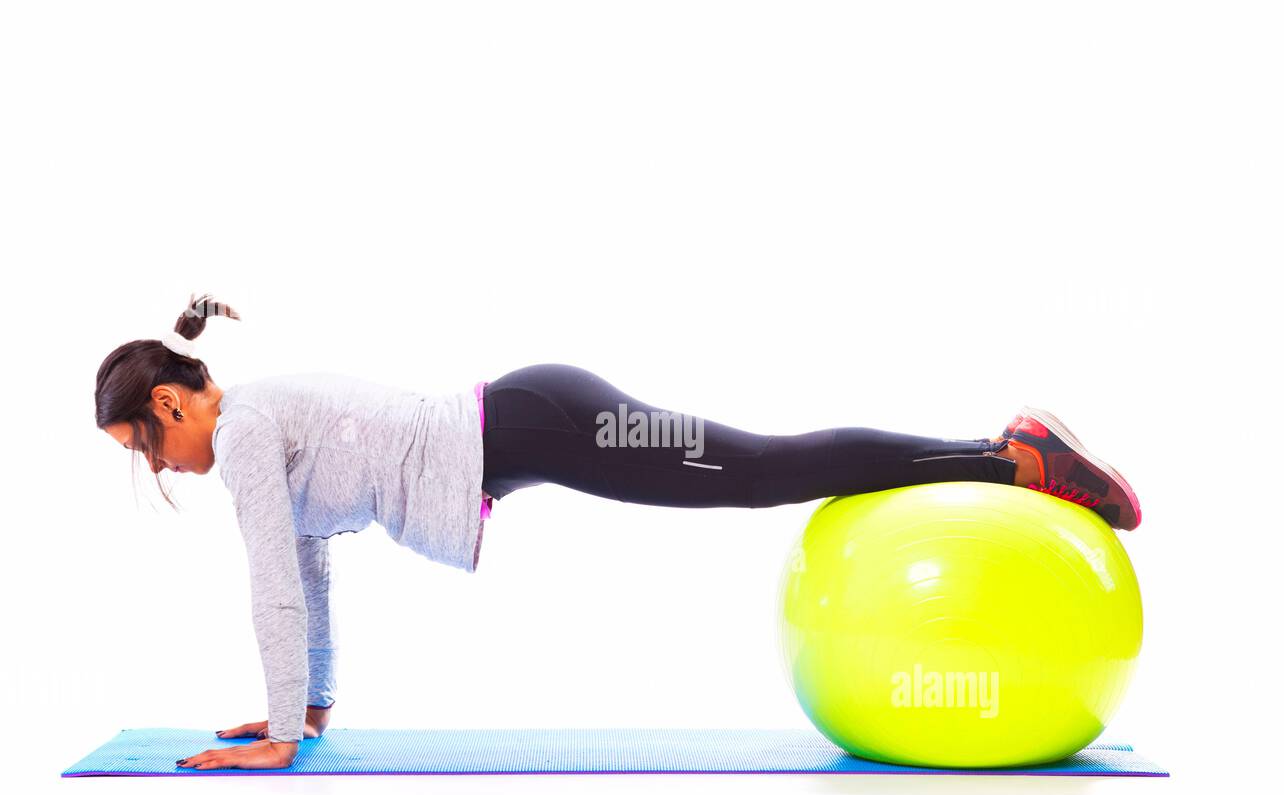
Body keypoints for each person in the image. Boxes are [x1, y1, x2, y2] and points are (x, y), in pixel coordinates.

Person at [96, 294, 1143, 771]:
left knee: (759, 470)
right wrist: (311, 707)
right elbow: (306, 566)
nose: (156, 465)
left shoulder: (245, 432)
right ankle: (1003, 454)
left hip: (543, 421)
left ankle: (1007, 457)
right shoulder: (260, 427)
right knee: (760, 468)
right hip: (536, 415)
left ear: (173, 403)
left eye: (143, 443)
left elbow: (273, 583)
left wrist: (282, 731)